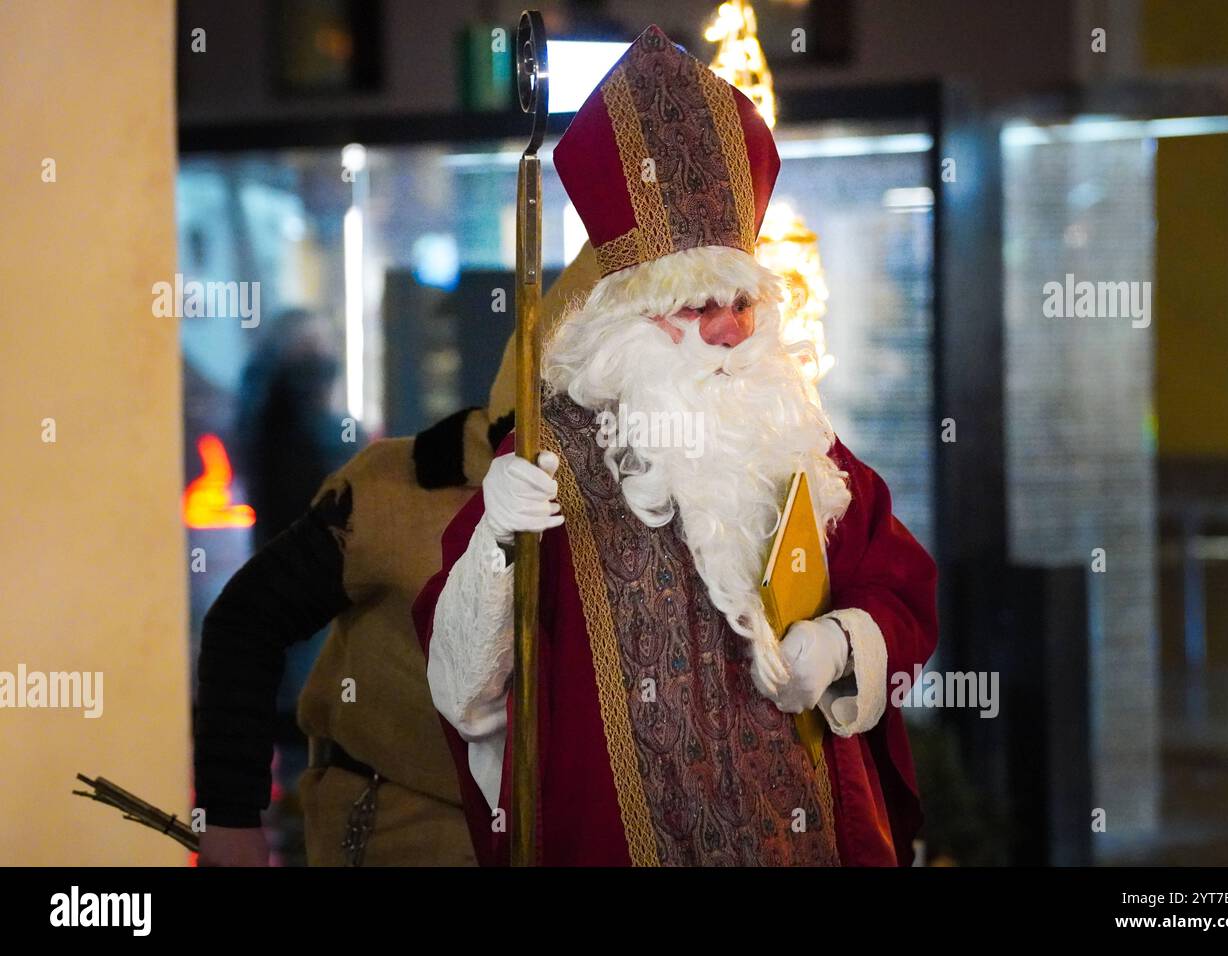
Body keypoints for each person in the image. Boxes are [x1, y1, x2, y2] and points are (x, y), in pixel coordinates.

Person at [415, 25, 938, 867]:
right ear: (627, 321)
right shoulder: (545, 460)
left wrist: (843, 643)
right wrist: (491, 549)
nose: (730, 331)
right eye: (697, 306)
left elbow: (903, 590)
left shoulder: (798, 438)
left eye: (744, 302)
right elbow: (462, 695)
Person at [195, 245, 599, 866]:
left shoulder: (649, 519)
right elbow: (247, 622)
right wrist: (230, 820)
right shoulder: (398, 487)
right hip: (400, 836)